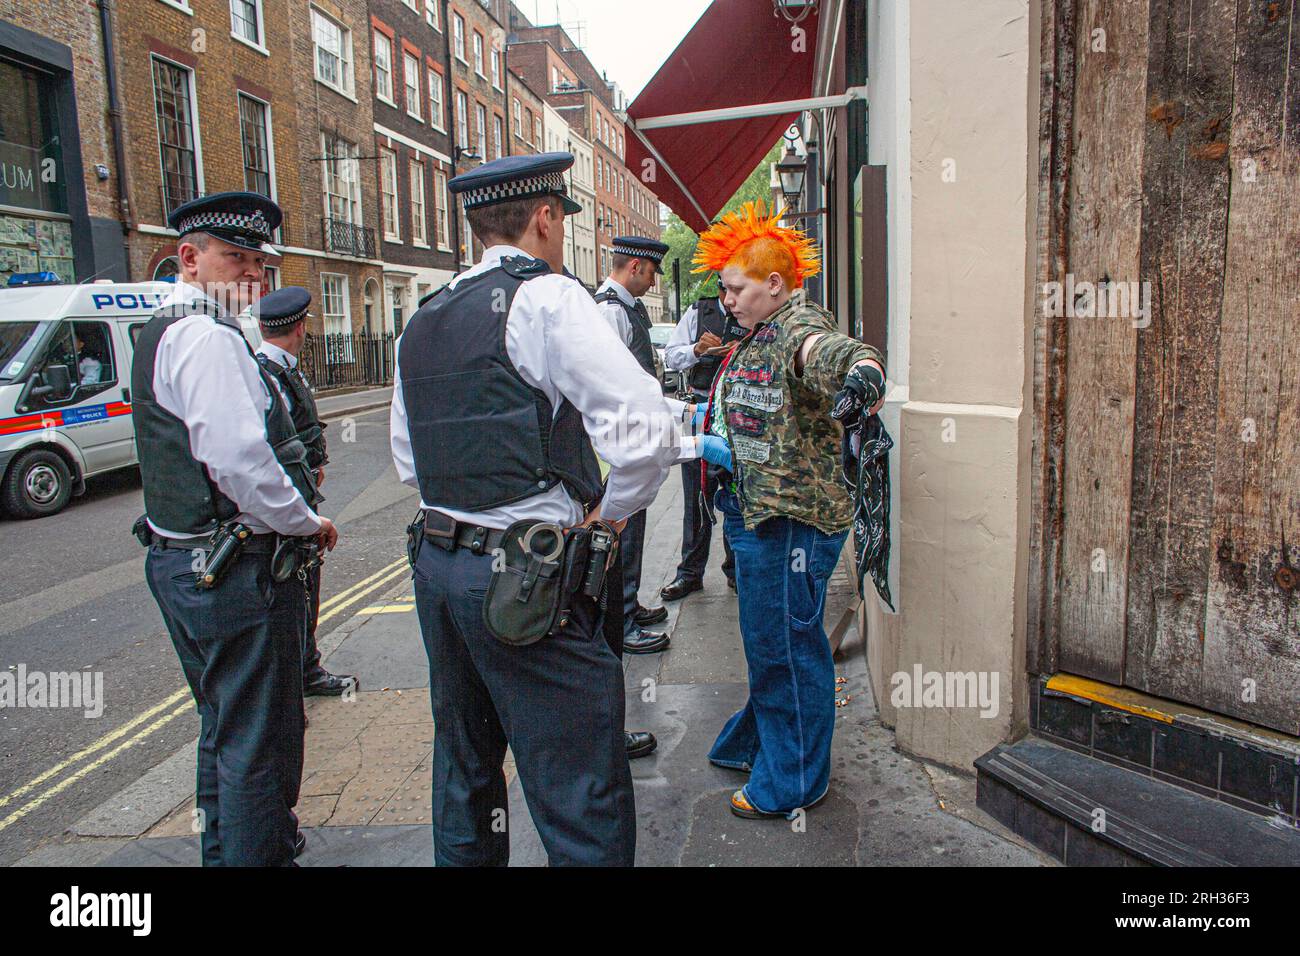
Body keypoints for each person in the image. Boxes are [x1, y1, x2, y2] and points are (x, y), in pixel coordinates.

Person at [389, 153, 682, 866]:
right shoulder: (548, 298)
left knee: (465, 769)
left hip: (438, 565)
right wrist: (610, 515)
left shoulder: (423, 319)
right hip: (526, 578)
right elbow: (647, 432)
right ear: (545, 217)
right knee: (578, 786)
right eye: (559, 219)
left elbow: (408, 459)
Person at [132, 192, 339, 866]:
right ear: (190, 259)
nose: (253, 275)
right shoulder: (205, 336)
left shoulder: (166, 327)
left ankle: (228, 852)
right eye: (235, 259)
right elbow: (239, 460)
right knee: (261, 740)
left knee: (225, 727)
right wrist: (305, 522)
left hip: (184, 561)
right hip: (233, 571)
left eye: (259, 262)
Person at [690, 201, 887, 820]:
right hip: (760, 514)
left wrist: (863, 378)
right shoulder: (759, 332)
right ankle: (760, 742)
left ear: (775, 284)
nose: (727, 299)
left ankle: (794, 780)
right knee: (772, 641)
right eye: (724, 288)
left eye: (736, 288)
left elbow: (842, 354)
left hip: (788, 524)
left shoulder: (798, 332)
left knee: (783, 647)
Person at [253, 286, 357, 698]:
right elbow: (272, 444)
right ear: (299, 328)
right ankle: (297, 679)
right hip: (288, 503)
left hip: (300, 493)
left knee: (307, 585)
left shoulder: (285, 370)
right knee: (294, 591)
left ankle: (304, 670)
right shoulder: (269, 376)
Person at [593, 236, 673, 654]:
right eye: (653, 272)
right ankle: (620, 623)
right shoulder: (610, 310)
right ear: (637, 267)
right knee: (620, 532)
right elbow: (607, 382)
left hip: (634, 435)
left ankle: (630, 604)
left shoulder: (627, 308)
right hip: (620, 443)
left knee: (634, 528)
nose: (653, 280)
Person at [660, 283, 745, 599]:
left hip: (738, 414)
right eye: (728, 291)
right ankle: (690, 573)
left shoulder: (754, 313)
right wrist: (697, 350)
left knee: (738, 494)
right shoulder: (699, 311)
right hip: (698, 410)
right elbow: (671, 356)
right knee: (696, 497)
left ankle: (737, 570)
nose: (733, 299)